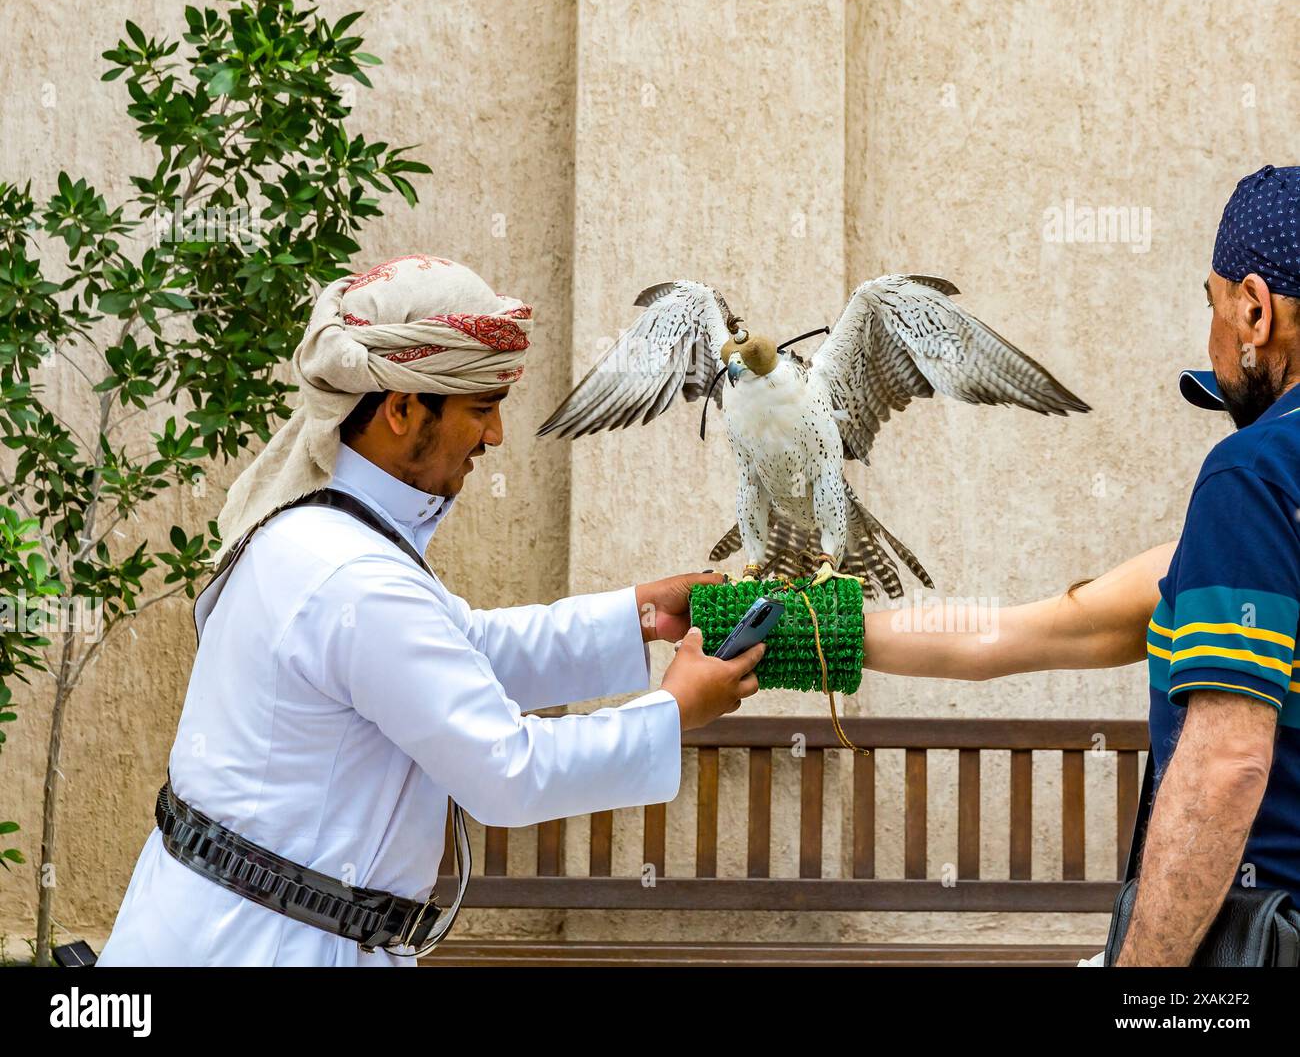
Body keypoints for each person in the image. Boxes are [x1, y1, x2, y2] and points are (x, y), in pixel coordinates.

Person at [98, 254, 763, 966]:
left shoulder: (319, 532)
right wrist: (673, 710)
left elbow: (461, 647)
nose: (497, 436)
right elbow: (508, 773)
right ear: (401, 409)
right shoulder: (355, 576)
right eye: (482, 408)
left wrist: (638, 615)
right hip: (263, 948)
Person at [860, 165, 1300, 966]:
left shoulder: (1255, 475)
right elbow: (1015, 633)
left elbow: (1227, 767)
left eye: (1211, 304)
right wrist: (814, 631)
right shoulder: (1242, 543)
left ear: (1254, 308)